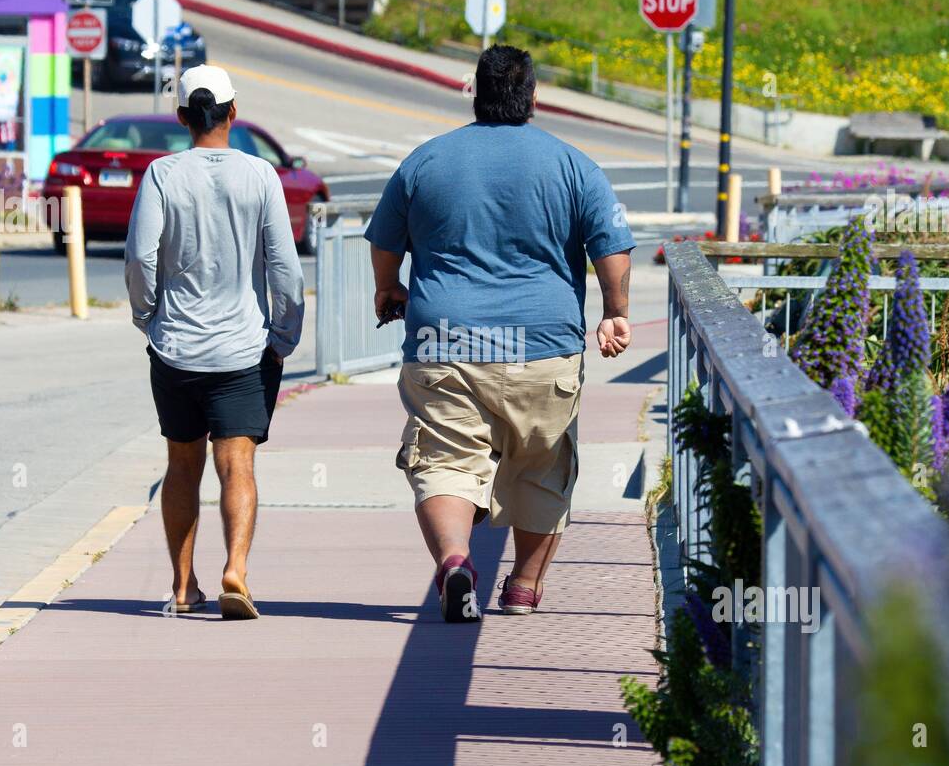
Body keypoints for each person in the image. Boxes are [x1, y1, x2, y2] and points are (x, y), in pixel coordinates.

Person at [366, 45, 634, 623]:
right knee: (543, 464)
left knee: (445, 458)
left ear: (475, 94)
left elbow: (384, 241)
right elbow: (611, 247)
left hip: (445, 343)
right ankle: (523, 586)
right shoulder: (573, 164)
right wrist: (615, 310)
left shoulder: (425, 161)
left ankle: (456, 561)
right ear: (534, 98)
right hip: (544, 348)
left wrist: (389, 287)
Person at [125, 64, 304, 621]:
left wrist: (148, 317)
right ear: (233, 112)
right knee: (238, 466)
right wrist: (284, 335)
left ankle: (182, 587)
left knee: (182, 464)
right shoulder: (261, 176)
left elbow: (139, 258)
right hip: (242, 350)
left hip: (175, 347)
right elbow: (285, 268)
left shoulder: (161, 175)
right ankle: (236, 570)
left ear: (182, 118)